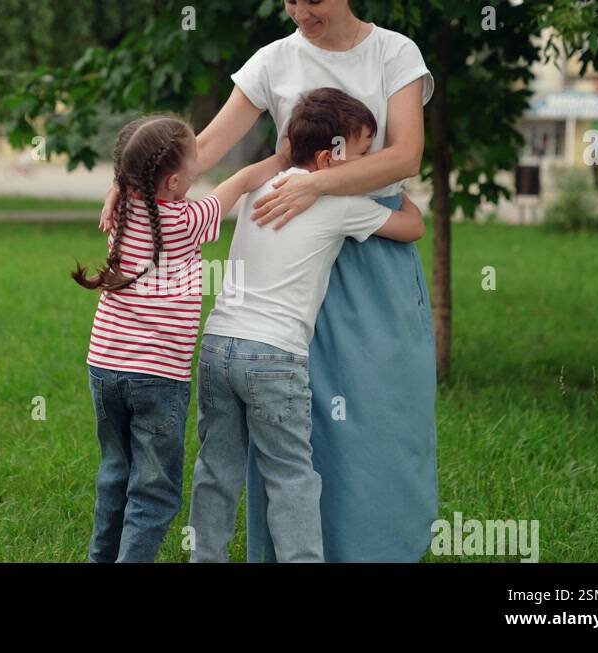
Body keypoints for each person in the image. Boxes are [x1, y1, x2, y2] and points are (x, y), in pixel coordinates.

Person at [99, 0, 438, 562]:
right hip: (290, 261)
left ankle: (376, 547)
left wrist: (318, 187)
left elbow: (406, 156)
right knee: (292, 447)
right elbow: (202, 148)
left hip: (365, 258)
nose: (301, 10)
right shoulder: (273, 59)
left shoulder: (395, 53)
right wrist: (134, 183)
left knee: (377, 419)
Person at [189, 88, 425, 563]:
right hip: (273, 356)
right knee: (291, 475)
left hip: (217, 345)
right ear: (328, 157)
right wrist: (392, 191)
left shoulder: (263, 186)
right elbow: (411, 227)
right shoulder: (340, 202)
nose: (366, 163)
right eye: (361, 153)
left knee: (215, 468)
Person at [73, 115, 289, 562]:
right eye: (195, 165)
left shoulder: (120, 207)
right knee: (154, 492)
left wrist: (117, 185)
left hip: (104, 366)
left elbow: (134, 180)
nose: (200, 169)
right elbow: (243, 180)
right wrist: (285, 157)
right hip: (157, 377)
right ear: (173, 181)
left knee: (116, 472)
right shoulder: (187, 221)